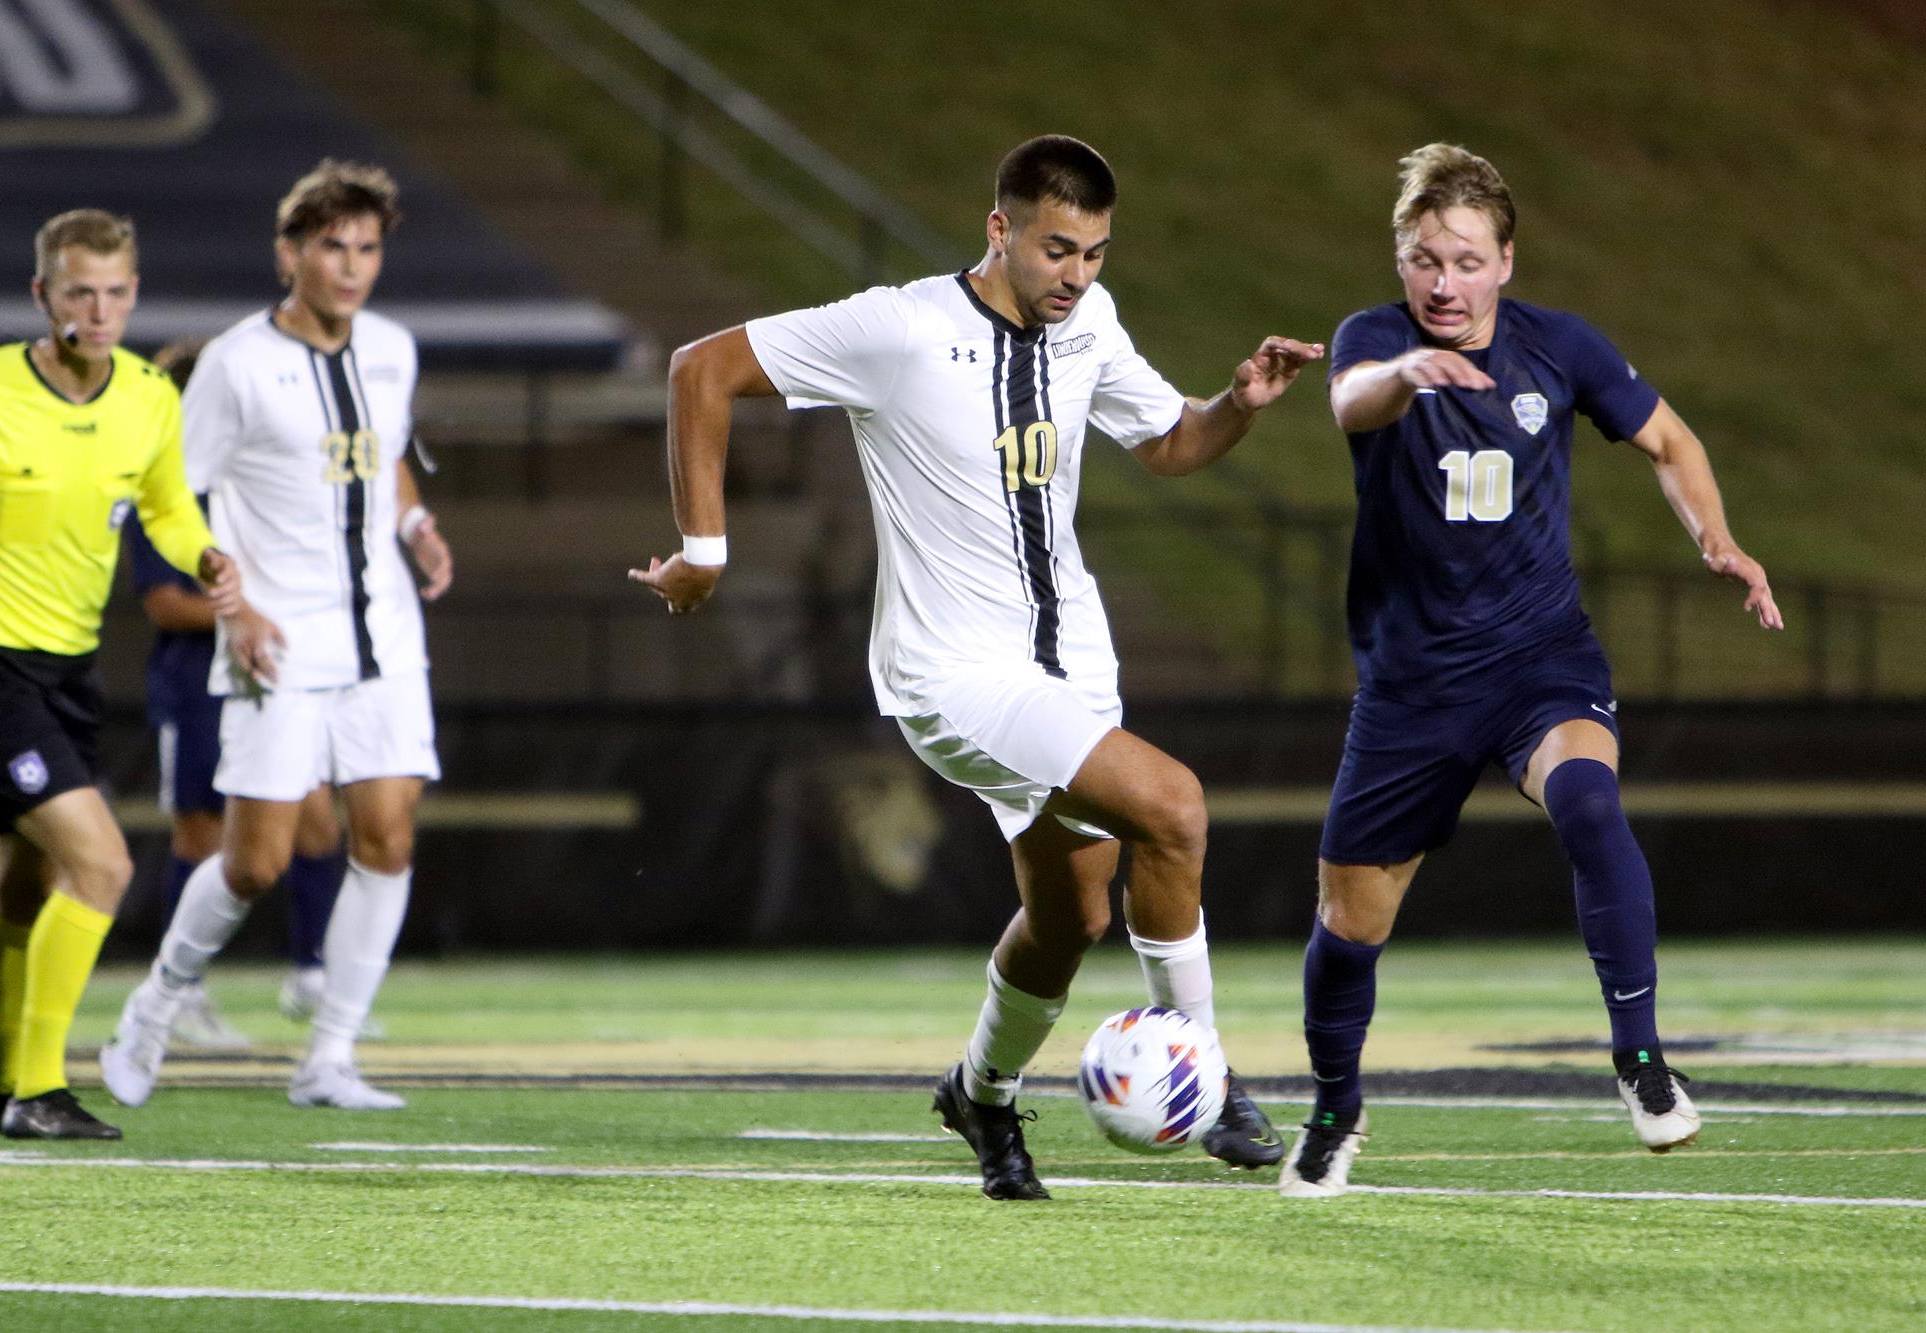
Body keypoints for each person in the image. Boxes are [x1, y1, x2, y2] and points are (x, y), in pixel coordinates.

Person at [632, 135, 1324, 1199]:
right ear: (998, 229)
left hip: (1070, 663)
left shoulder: (1088, 321)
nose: (1076, 275)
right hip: (951, 672)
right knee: (1174, 807)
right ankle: (1213, 1075)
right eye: (1056, 249)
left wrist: (1234, 405)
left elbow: (1169, 444)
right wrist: (706, 551)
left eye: (1094, 253)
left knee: (1072, 915)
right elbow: (701, 368)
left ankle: (980, 1093)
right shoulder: (900, 327)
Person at [1280, 144, 1784, 1198]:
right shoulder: (1374, 340)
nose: (1443, 283)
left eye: (1466, 261)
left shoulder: (1560, 347)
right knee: (1348, 921)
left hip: (1537, 657)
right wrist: (1405, 374)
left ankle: (1640, 1059)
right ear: (1400, 261)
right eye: (1425, 260)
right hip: (1413, 684)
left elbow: (1670, 442)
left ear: (1505, 262)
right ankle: (1333, 1108)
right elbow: (1350, 401)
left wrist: (1717, 540)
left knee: (1590, 801)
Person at [102, 159, 451, 1112]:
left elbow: (386, 457)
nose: (353, 265)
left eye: (368, 247)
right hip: (280, 641)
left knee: (386, 839)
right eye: (333, 246)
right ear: (290, 253)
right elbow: (171, 495)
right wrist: (233, 603)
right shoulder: (235, 363)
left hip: (385, 633)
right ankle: (154, 1006)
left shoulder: (393, 347)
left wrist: (417, 526)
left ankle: (328, 1056)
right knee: (253, 863)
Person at [0, 209, 246, 1140]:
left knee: (24, 882)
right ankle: (38, 1086)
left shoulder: (148, 396)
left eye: (114, 293)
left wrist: (206, 555)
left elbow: (168, 507)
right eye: (78, 293)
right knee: (101, 863)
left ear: (133, 294)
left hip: (67, 672)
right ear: (43, 294)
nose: (97, 312)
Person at [120, 358, 350, 1048]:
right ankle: (181, 991)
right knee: (201, 837)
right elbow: (165, 603)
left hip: (272, 677)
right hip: (196, 683)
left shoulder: (265, 478)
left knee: (317, 822)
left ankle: (313, 974)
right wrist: (248, 612)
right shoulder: (166, 487)